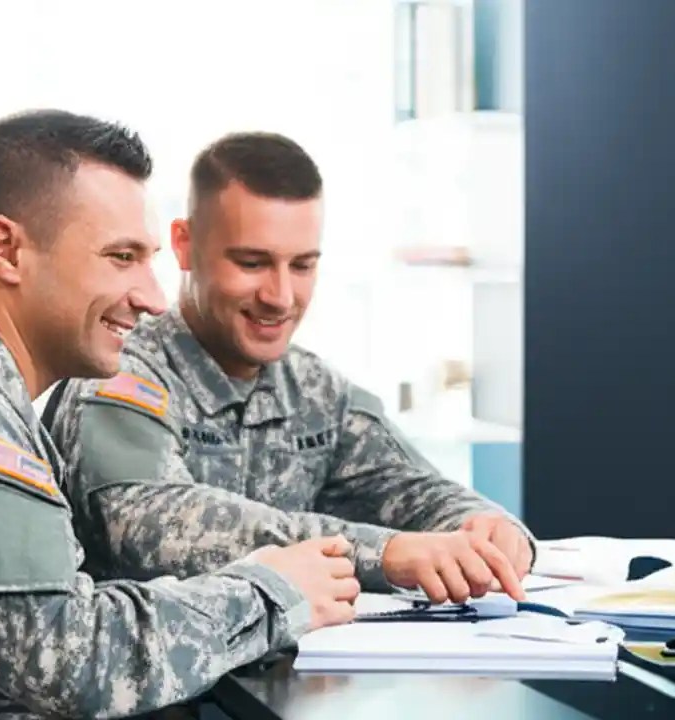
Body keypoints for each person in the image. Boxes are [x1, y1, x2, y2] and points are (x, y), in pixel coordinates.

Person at [0, 110, 359, 718]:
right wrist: (273, 592)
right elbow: (72, 659)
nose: (153, 298)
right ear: (6, 250)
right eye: (120, 257)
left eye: (150, 259)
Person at [45, 131, 534, 604]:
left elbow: (414, 490)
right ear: (184, 244)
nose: (280, 297)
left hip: (295, 683)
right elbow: (145, 525)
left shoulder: (317, 391)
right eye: (253, 263)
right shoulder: (117, 372)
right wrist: (380, 554)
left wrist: (488, 530)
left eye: (302, 266)